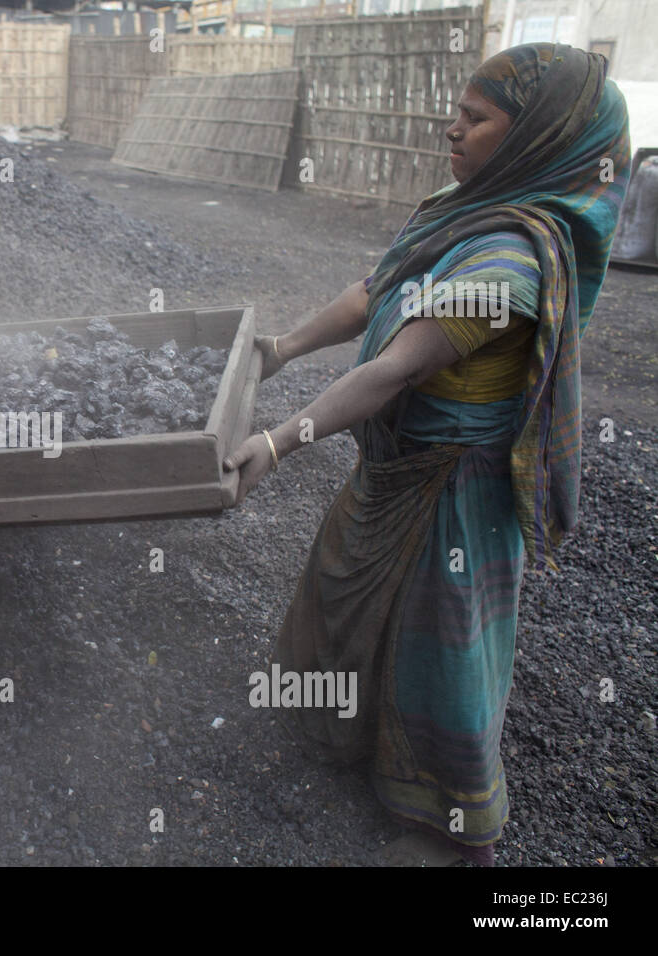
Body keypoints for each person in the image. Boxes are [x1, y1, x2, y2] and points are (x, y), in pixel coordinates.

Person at [222, 44, 631, 864]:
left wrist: (277, 441)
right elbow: (377, 289)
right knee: (342, 593)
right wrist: (277, 348)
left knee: (437, 650)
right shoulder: (461, 205)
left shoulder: (510, 258)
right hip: (394, 467)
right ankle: (340, 735)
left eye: (476, 119)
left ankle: (449, 826)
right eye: (460, 108)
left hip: (452, 492)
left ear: (537, 140)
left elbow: (396, 367)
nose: (452, 127)